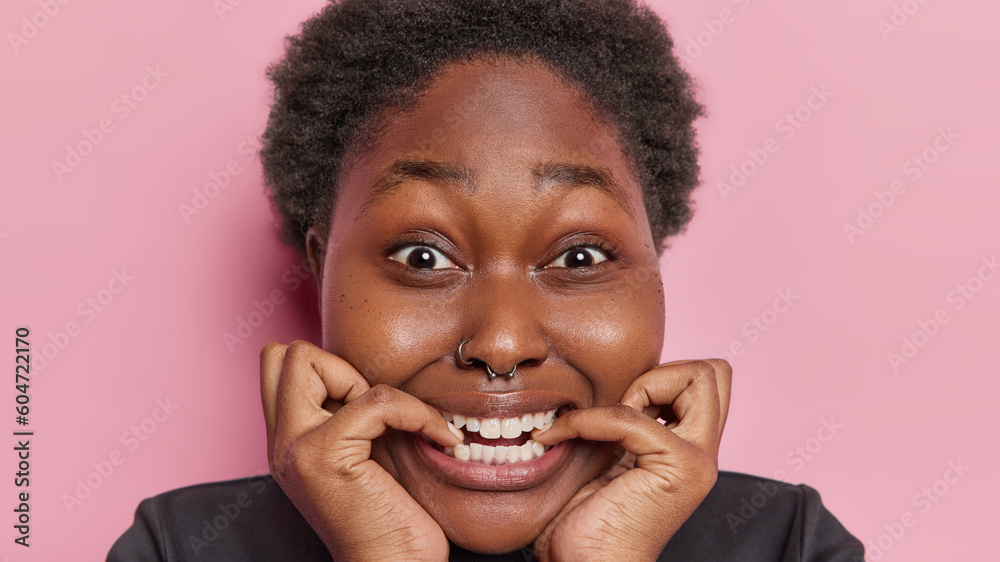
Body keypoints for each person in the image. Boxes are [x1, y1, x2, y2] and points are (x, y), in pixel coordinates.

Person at [108, 0, 864, 559]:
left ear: (652, 263)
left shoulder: (787, 545)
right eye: (423, 256)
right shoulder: (178, 548)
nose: (502, 341)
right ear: (319, 261)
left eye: (577, 258)